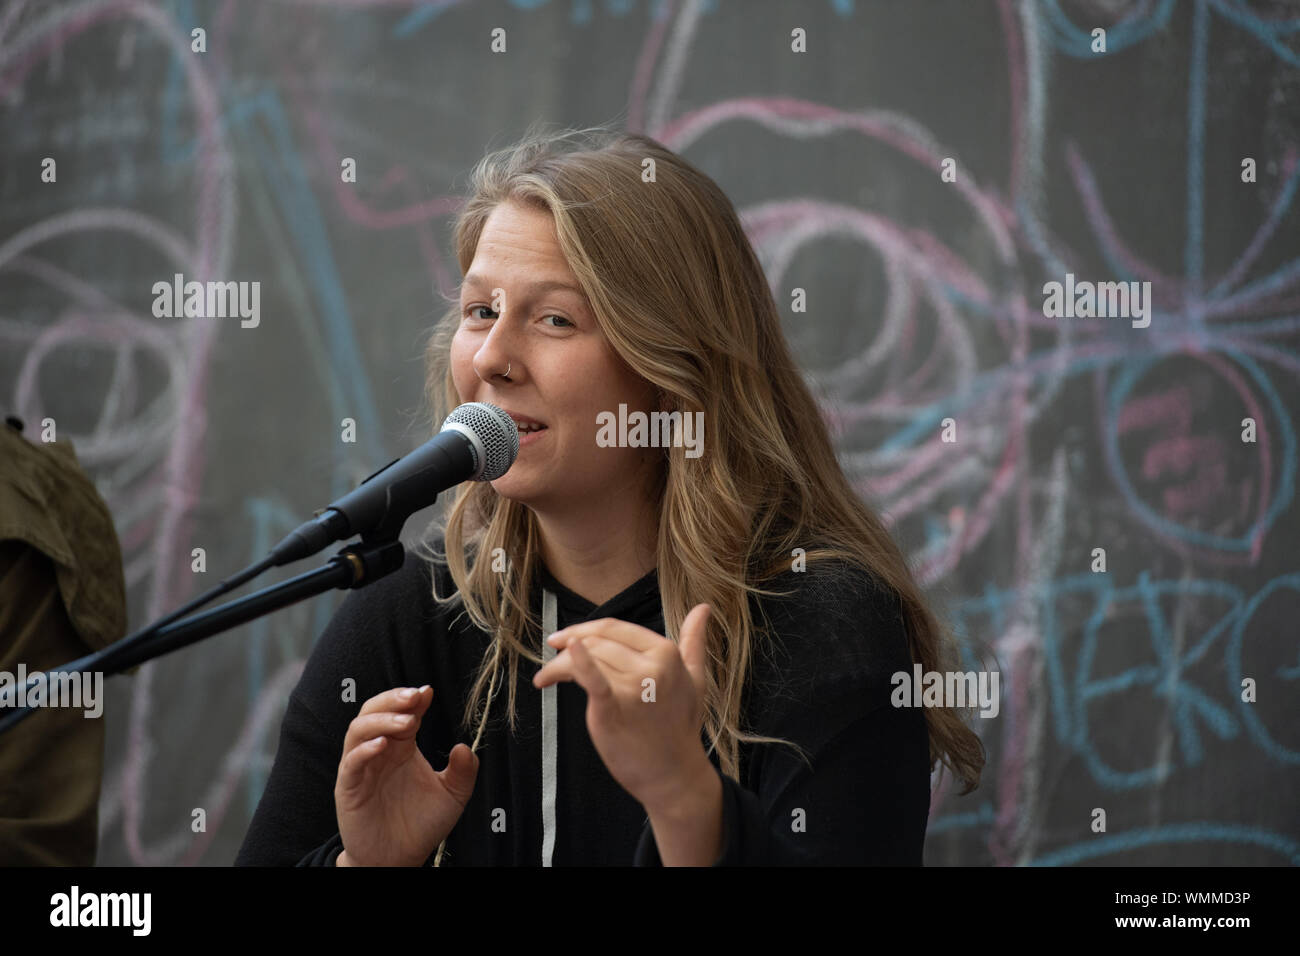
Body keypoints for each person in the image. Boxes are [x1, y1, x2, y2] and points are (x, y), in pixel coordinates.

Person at [235, 125, 985, 867]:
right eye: (480, 311)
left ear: (672, 368)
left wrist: (687, 802)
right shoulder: (411, 611)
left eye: (555, 319)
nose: (493, 357)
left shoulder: (818, 618)